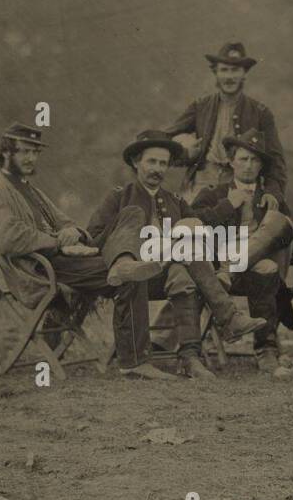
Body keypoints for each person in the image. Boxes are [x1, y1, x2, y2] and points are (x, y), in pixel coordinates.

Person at [0, 121, 172, 382]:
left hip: (69, 259)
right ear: (6, 153)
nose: (31, 158)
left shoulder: (30, 189)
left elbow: (66, 222)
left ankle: (124, 261)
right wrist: (57, 240)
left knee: (131, 214)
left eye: (35, 152)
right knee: (129, 274)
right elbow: (7, 238)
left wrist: (75, 233)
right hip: (42, 271)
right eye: (24, 151)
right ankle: (134, 362)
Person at [86, 130, 267, 381]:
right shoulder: (119, 197)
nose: (157, 169)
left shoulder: (174, 200)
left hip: (164, 275)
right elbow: (94, 237)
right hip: (130, 276)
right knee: (186, 258)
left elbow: (203, 224)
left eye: (163, 163)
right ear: (136, 162)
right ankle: (227, 317)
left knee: (184, 269)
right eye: (151, 161)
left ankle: (190, 358)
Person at [191, 129, 293, 378]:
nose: (249, 166)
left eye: (255, 160)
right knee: (266, 268)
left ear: (262, 166)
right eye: (243, 159)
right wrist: (228, 205)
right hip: (217, 268)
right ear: (231, 161)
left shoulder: (271, 198)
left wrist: (276, 218)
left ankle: (266, 349)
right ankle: (266, 346)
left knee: (270, 258)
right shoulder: (213, 194)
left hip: (240, 271)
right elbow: (192, 223)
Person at [164, 41, 287, 200]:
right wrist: (185, 153)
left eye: (235, 70)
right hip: (202, 180)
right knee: (191, 221)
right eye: (224, 70)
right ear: (216, 73)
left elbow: (276, 161)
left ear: (244, 74)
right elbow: (165, 138)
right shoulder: (200, 106)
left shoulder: (260, 113)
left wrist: (272, 193)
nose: (229, 77)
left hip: (240, 183)